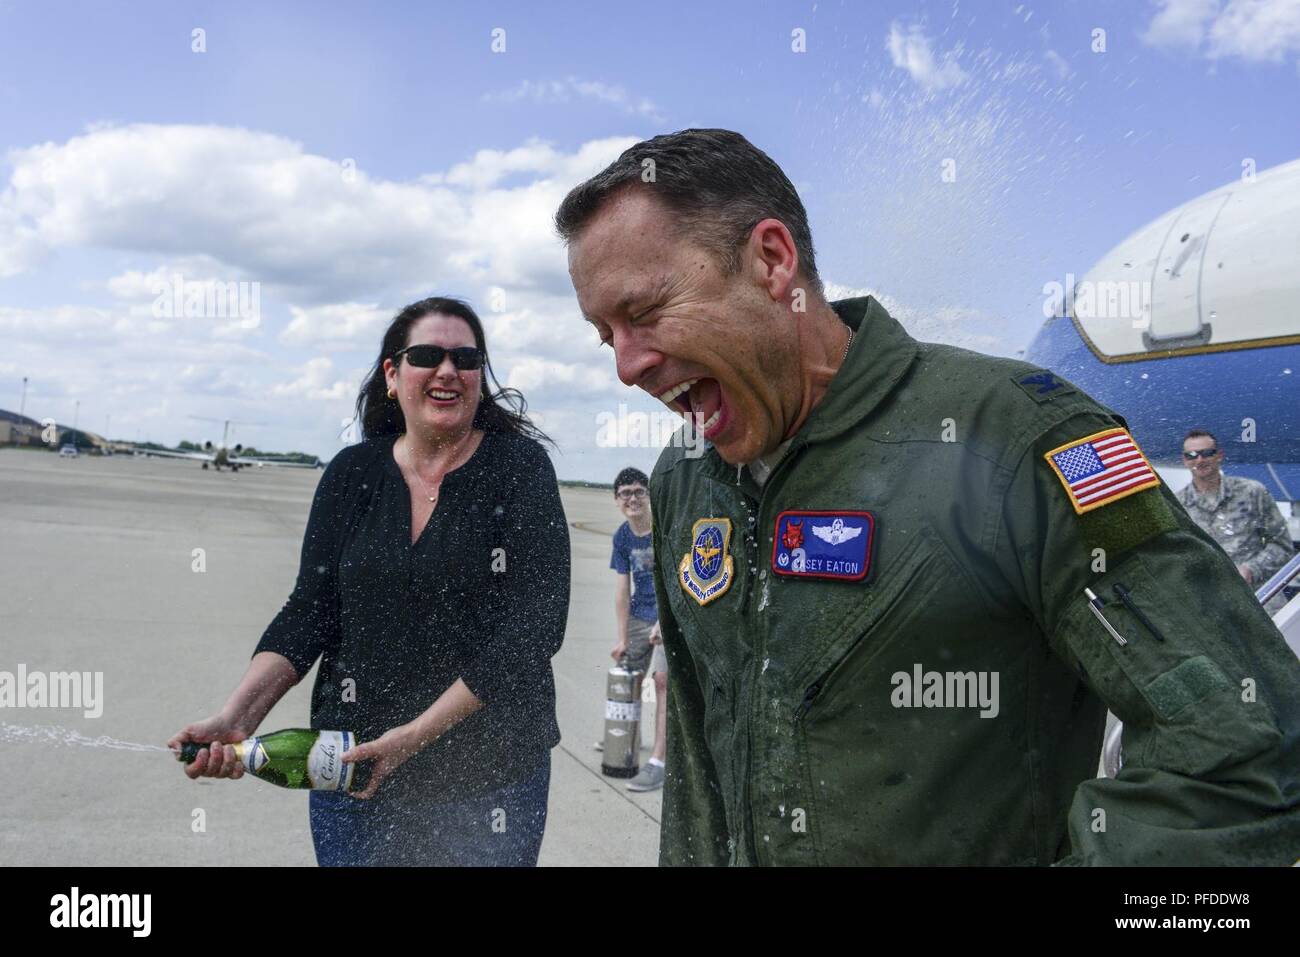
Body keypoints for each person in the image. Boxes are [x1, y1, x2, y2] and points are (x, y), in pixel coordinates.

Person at [555, 128, 1300, 865]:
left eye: (645, 312)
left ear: (772, 260)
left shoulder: (1026, 435)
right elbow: (696, 772)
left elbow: (1248, 756)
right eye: (605, 335)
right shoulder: (686, 476)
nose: (626, 366)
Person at [169, 296, 570, 866]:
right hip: (350, 771)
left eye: (467, 358)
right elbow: (311, 611)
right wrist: (238, 717)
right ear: (392, 374)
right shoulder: (352, 473)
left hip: (487, 779)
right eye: (428, 354)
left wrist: (415, 736)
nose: (449, 370)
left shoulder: (519, 469)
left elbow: (534, 629)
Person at [1176, 429, 1294, 612]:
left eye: (1207, 453)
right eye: (1191, 455)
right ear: (1184, 460)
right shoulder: (1178, 506)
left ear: (1219, 456)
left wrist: (1251, 570)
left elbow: (1283, 546)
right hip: (1213, 610)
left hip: (1262, 601)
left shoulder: (1252, 492)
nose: (1199, 460)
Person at [606, 467, 667, 791]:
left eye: (638, 491)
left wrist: (663, 621)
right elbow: (621, 588)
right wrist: (623, 637)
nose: (632, 498)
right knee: (626, 677)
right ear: (617, 500)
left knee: (661, 682)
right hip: (639, 615)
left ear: (649, 495)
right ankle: (623, 738)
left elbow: (674, 578)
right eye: (625, 493)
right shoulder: (622, 536)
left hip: (667, 617)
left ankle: (659, 760)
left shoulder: (664, 528)